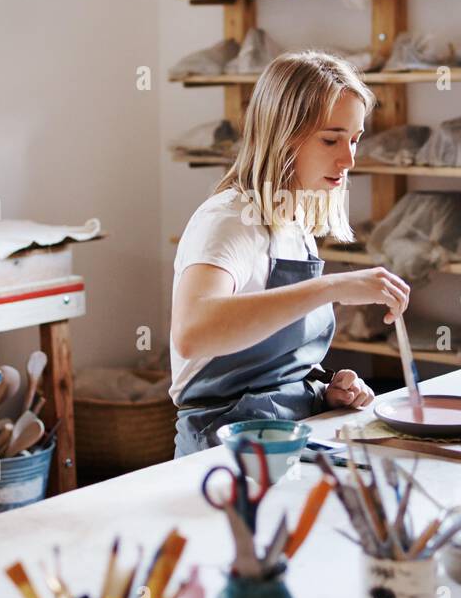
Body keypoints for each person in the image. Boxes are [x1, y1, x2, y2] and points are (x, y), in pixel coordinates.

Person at [169, 50, 410, 456]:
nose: (349, 159)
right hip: (224, 446)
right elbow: (192, 333)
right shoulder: (229, 219)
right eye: (331, 139)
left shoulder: (294, 221)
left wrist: (320, 389)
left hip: (289, 432)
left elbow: (270, 365)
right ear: (283, 134)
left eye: (354, 139)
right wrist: (331, 287)